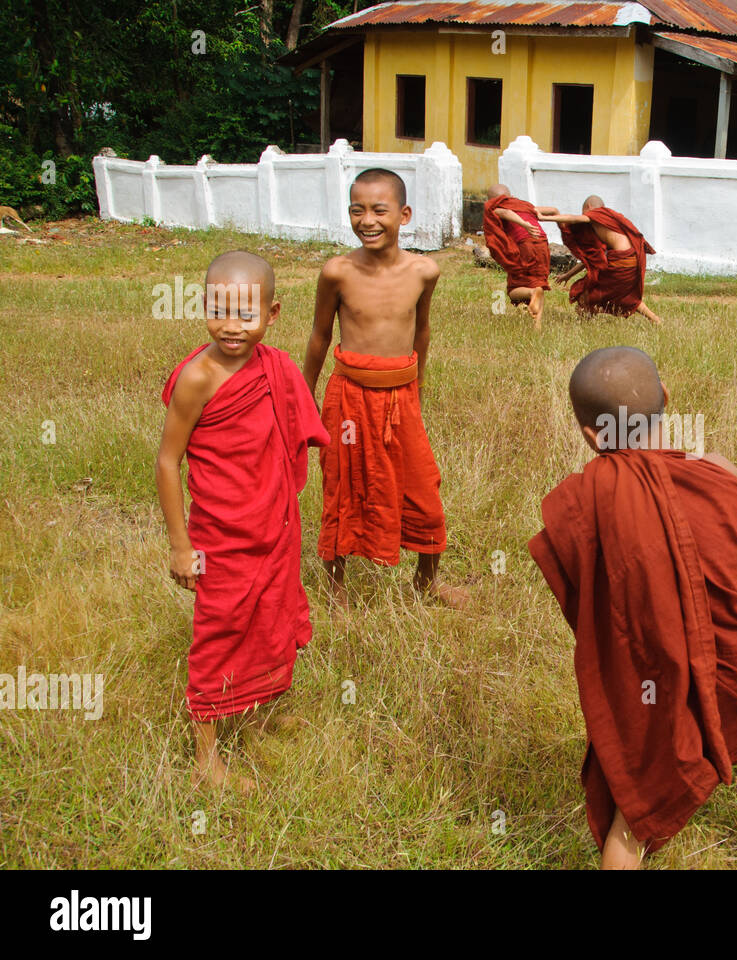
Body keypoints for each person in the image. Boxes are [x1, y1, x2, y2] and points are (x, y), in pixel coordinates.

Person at [528, 347, 737, 869]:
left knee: (635, 804)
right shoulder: (721, 473)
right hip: (736, 646)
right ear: (667, 399)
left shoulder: (588, 497)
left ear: (591, 437)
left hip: (654, 670)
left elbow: (593, 593)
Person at [157, 251, 328, 792]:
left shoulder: (276, 368)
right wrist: (180, 545)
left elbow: (294, 435)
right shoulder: (197, 378)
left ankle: (258, 710)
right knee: (221, 630)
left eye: (246, 313)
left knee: (272, 620)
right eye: (219, 310)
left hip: (274, 528)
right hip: (222, 535)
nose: (232, 325)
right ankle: (206, 756)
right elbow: (167, 461)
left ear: (272, 313)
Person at [303, 168, 467, 611]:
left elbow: (423, 331)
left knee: (424, 490)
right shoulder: (337, 272)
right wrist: (303, 397)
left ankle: (426, 582)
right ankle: (336, 590)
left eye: (379, 210)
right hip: (349, 398)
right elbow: (320, 337)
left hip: (401, 398)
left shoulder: (424, 271)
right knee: (343, 487)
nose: (367, 220)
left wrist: (418, 389)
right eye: (357, 210)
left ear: (404, 214)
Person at [545, 196, 663, 324]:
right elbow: (592, 258)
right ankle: (655, 320)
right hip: (632, 261)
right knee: (626, 297)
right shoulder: (609, 222)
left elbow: (573, 219)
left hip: (620, 262)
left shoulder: (596, 215)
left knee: (586, 292)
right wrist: (568, 275)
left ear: (589, 207)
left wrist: (544, 218)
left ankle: (584, 321)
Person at [482, 183, 558, 329]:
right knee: (538, 283)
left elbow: (504, 213)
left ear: (491, 199)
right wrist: (545, 218)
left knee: (514, 289)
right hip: (542, 243)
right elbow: (553, 210)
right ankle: (537, 325)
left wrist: (524, 224)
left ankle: (531, 293)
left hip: (525, 243)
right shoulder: (523, 205)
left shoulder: (495, 206)